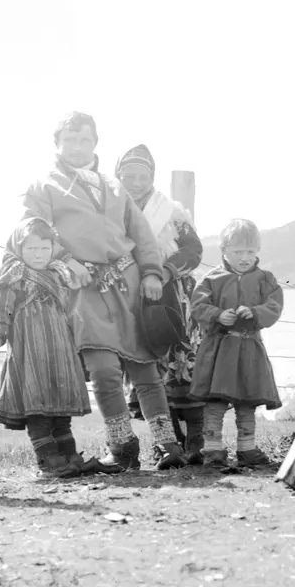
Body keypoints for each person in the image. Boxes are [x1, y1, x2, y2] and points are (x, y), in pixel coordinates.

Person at [20, 112, 187, 471]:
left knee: (145, 369)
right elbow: (32, 229)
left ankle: (168, 446)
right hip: (84, 286)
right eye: (70, 140)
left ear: (95, 143)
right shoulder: (43, 186)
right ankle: (123, 447)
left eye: (85, 140)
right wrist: (66, 259)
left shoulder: (114, 186)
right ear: (57, 144)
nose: (77, 147)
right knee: (104, 370)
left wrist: (152, 273)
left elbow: (141, 234)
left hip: (129, 283)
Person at [114, 144, 205, 464]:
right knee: (146, 365)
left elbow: (193, 250)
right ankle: (167, 442)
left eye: (143, 176)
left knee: (182, 364)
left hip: (172, 296)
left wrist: (164, 272)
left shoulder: (171, 211)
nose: (136, 183)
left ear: (152, 177)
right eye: (129, 176)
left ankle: (196, 440)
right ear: (118, 176)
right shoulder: (111, 211)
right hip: (129, 297)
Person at [0, 217, 92, 479]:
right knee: (38, 405)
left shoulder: (59, 273)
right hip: (30, 351)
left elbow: (71, 310)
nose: (39, 254)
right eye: (31, 248)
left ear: (53, 248)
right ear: (18, 248)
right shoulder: (13, 275)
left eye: (45, 248)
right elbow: (1, 308)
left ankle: (70, 455)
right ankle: (48, 460)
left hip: (60, 349)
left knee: (60, 406)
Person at [189, 218, 283, 469]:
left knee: (247, 401)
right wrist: (218, 315)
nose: (245, 258)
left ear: (257, 251)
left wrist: (255, 312)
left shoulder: (265, 279)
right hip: (219, 350)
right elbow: (198, 306)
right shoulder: (211, 279)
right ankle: (212, 450)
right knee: (215, 402)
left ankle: (247, 449)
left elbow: (274, 306)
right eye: (238, 252)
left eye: (250, 252)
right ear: (224, 251)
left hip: (250, 349)